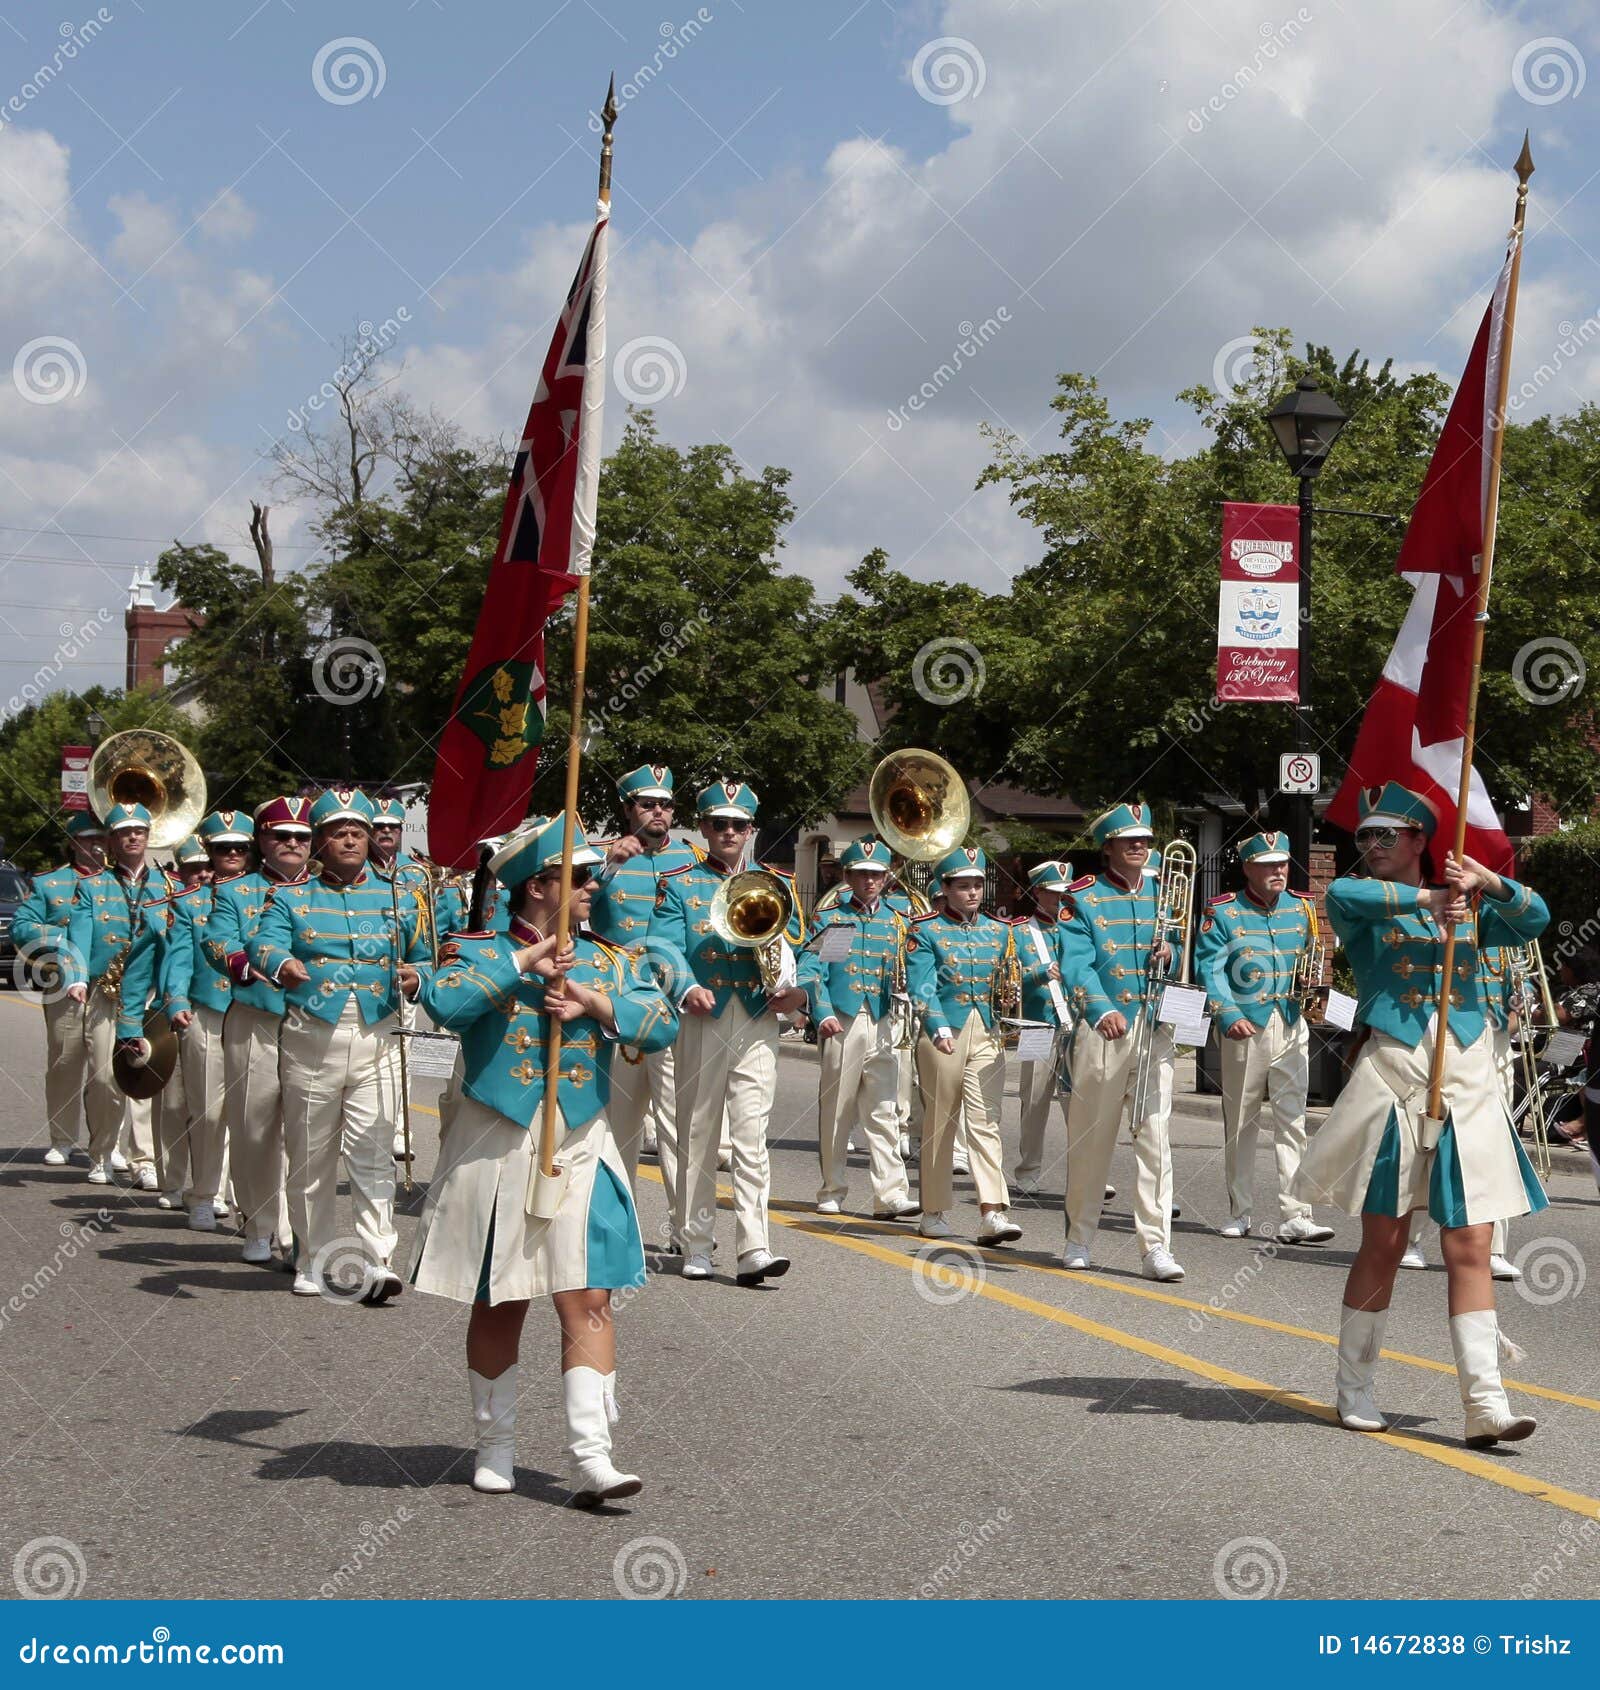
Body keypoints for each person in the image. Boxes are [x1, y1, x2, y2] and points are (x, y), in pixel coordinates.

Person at [407, 816, 677, 1502]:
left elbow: (661, 1022)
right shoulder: (476, 948)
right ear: (537, 886)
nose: (593, 887)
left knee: (589, 1293)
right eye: (580, 878)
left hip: (580, 1137)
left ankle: (592, 1456)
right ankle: (495, 1443)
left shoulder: (611, 960)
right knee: (500, 1300)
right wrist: (526, 964)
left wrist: (590, 1000)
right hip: (497, 1137)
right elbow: (443, 1005)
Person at [1290, 782, 1548, 1448]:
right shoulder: (1366, 907)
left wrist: (1489, 881)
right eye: (1364, 837)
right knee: (1386, 1241)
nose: (1372, 846)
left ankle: (1485, 1404)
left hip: (1465, 1081)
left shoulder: (1472, 910)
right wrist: (1431, 897)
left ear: (1418, 842)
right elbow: (1342, 897)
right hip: (1396, 1080)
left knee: (1471, 1246)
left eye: (1386, 836)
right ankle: (1354, 1388)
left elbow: (1537, 918)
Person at [248, 787, 431, 1303]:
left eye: (357, 831)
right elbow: (262, 942)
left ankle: (377, 1260)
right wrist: (281, 963)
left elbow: (429, 957)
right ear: (319, 843)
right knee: (311, 1157)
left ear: (370, 838)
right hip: (311, 1037)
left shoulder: (399, 895)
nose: (349, 839)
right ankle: (311, 1256)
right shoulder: (290, 896)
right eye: (337, 832)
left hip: (378, 1036)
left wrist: (418, 976)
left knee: (373, 1153)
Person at [652, 779, 806, 1285]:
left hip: (759, 1016)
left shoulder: (776, 884)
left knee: (752, 1136)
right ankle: (696, 1242)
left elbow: (801, 954)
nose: (729, 832)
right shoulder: (679, 882)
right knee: (698, 1132)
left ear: (751, 830)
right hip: (704, 1015)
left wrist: (800, 994)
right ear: (702, 827)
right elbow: (663, 947)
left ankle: (754, 1247)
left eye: (739, 825)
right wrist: (685, 986)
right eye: (719, 823)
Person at [1058, 802, 1184, 1281]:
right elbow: (1075, 962)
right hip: (1106, 1031)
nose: (1140, 846)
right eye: (1129, 839)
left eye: (1147, 839)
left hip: (1154, 1028)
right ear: (1107, 846)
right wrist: (1100, 1007)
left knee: (1156, 1141)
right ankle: (1079, 1237)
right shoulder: (1083, 898)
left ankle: (1156, 1246)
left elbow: (1175, 955)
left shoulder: (1163, 892)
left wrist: (1169, 954)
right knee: (1093, 1139)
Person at [1194, 830, 1334, 1245]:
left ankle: (1297, 1215)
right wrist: (1227, 1013)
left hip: (1291, 1022)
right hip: (1246, 1027)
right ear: (1248, 868)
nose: (1279, 871)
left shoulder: (1303, 907)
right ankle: (1240, 1211)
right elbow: (1210, 969)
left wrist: (1310, 979)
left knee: (1293, 1121)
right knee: (1241, 1122)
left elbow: (1310, 955)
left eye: (1283, 864)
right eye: (1269, 865)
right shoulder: (1223, 913)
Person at [119, 813, 253, 1231]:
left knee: (254, 1114)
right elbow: (175, 960)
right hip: (204, 1012)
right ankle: (202, 1192)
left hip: (258, 1014)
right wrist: (175, 1000)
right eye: (221, 848)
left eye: (239, 848)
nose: (231, 854)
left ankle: (251, 1202)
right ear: (208, 853)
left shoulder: (269, 897)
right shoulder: (186, 904)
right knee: (208, 1113)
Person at [904, 844, 1036, 1245]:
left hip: (987, 1032)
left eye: (977, 885)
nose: (973, 893)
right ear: (944, 889)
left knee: (986, 1121)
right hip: (943, 1032)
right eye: (963, 886)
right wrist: (938, 1026)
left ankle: (992, 1212)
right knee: (941, 1120)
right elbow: (921, 985)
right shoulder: (925, 930)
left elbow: (1018, 975)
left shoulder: (1000, 931)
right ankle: (933, 1210)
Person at [587, 764, 699, 1225]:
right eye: (647, 804)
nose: (658, 812)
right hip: (619, 1006)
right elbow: (571, 907)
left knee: (679, 1125)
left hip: (672, 1007)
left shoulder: (692, 860)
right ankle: (620, 1223)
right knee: (620, 1124)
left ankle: (686, 1226)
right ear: (628, 808)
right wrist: (610, 863)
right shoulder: (600, 857)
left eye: (666, 805)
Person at [204, 796, 311, 1267]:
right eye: (279, 835)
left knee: (308, 1131)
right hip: (256, 1017)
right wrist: (249, 965)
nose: (291, 843)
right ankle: (260, 1223)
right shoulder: (235, 891)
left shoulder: (330, 892)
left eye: (301, 836)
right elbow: (217, 940)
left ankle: (300, 1234)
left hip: (316, 1023)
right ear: (260, 842)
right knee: (254, 1126)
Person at [799, 836, 921, 1220]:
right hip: (844, 1019)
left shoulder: (898, 921)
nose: (870, 881)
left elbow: (916, 969)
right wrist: (821, 1012)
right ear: (847, 876)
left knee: (885, 1108)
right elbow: (811, 969)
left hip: (885, 1019)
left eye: (877, 875)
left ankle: (891, 1193)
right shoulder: (832, 918)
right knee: (838, 1107)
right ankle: (832, 1188)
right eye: (862, 874)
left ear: (887, 877)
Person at [63, 802, 179, 1188]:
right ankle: (101, 1153)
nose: (133, 837)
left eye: (140, 832)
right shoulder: (91, 887)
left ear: (148, 838)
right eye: (124, 832)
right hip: (105, 991)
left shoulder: (169, 885)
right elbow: (78, 936)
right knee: (103, 1078)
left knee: (146, 1073)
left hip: (148, 994)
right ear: (111, 840)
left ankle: (144, 1159)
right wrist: (77, 977)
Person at [13, 813, 106, 1164]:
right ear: (73, 843)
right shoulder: (51, 883)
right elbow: (21, 926)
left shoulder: (117, 883)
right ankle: (62, 1138)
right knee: (65, 1061)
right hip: (65, 982)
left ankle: (106, 1144)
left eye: (101, 837)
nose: (95, 845)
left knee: (107, 1068)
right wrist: (65, 940)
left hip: (110, 985)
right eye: (87, 839)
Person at [1012, 859, 1076, 1195]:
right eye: (1054, 894)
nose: (1061, 900)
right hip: (1038, 1026)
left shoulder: (1078, 928)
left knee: (1079, 1102)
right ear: (1038, 892)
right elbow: (1006, 982)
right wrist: (1038, 973)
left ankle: (1086, 1170)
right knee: (1034, 1100)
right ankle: (1027, 1170)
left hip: (1076, 1026)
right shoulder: (1021, 932)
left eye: (1065, 894)